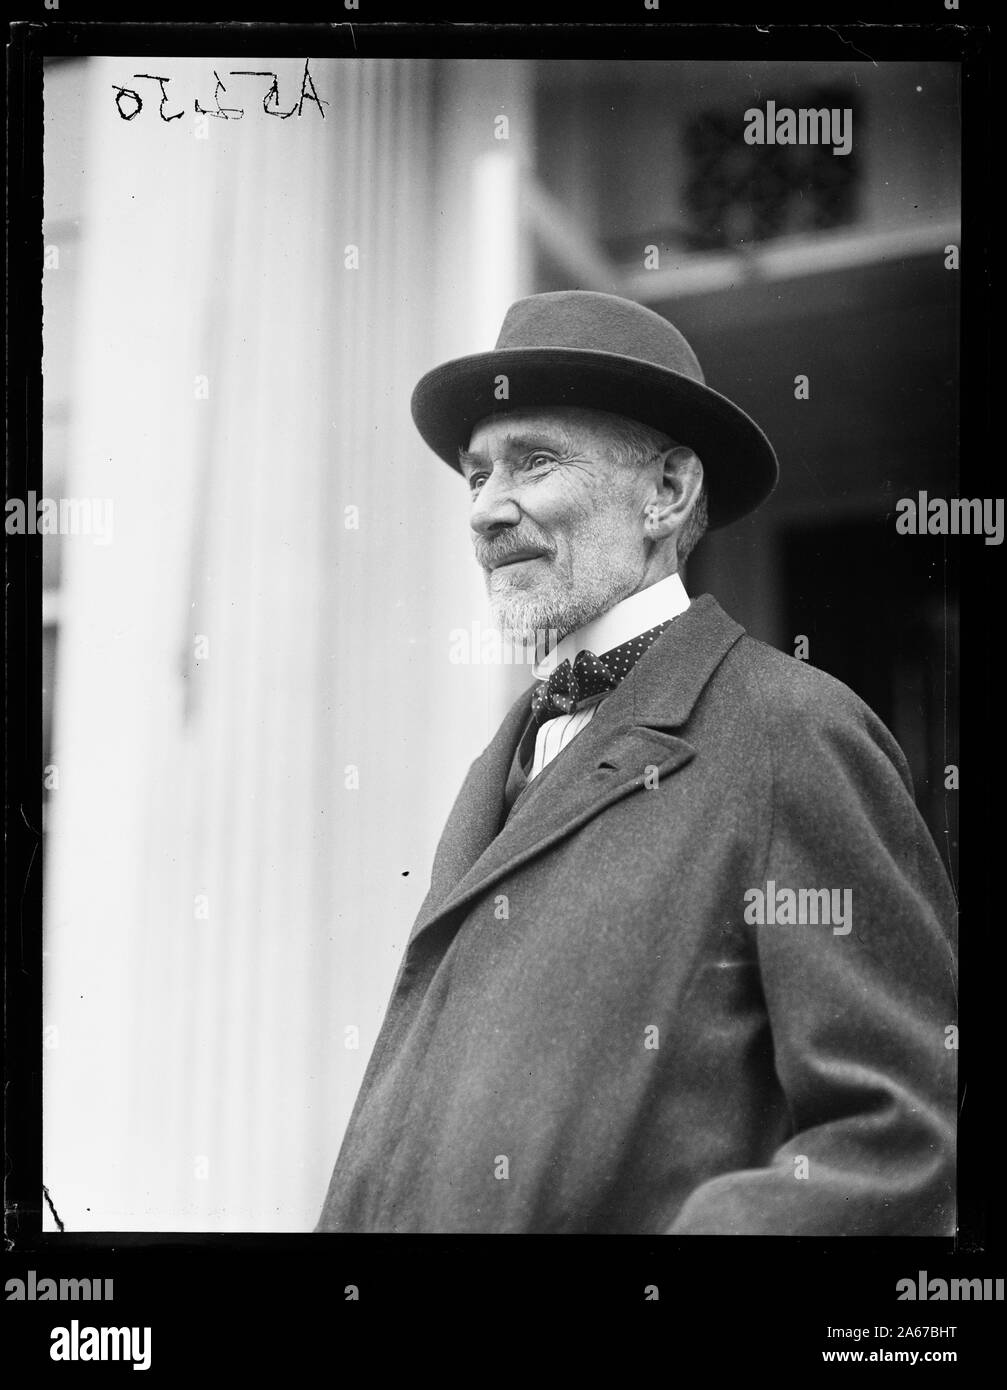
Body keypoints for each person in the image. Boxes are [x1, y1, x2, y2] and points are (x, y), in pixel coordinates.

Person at [315, 290, 957, 1235]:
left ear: (666, 493)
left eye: (533, 461)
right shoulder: (503, 759)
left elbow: (900, 1129)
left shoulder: (794, 732)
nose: (488, 512)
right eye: (475, 475)